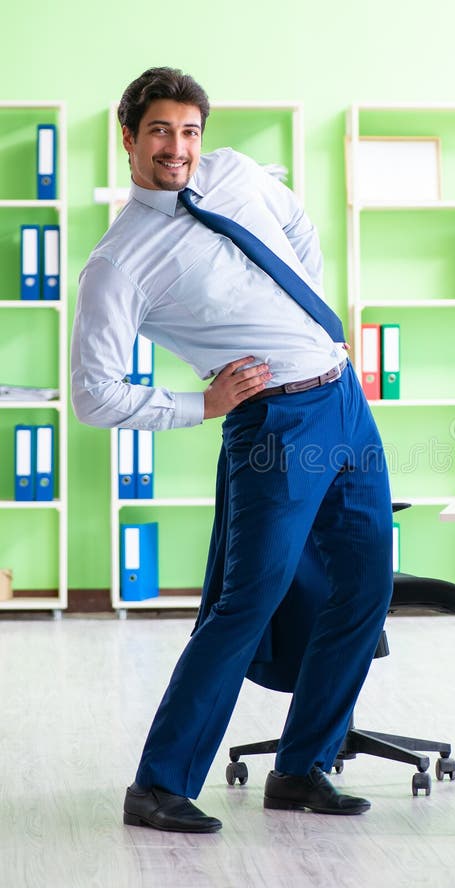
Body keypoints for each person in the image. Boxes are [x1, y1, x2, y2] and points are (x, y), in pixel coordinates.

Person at [71, 67, 394, 833]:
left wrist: (301, 330)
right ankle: (158, 785)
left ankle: (302, 767)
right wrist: (201, 404)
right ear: (127, 138)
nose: (176, 148)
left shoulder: (238, 175)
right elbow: (94, 392)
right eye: (158, 131)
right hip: (275, 428)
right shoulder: (120, 262)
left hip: (344, 398)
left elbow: (302, 231)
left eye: (187, 131)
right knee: (246, 601)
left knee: (366, 584)